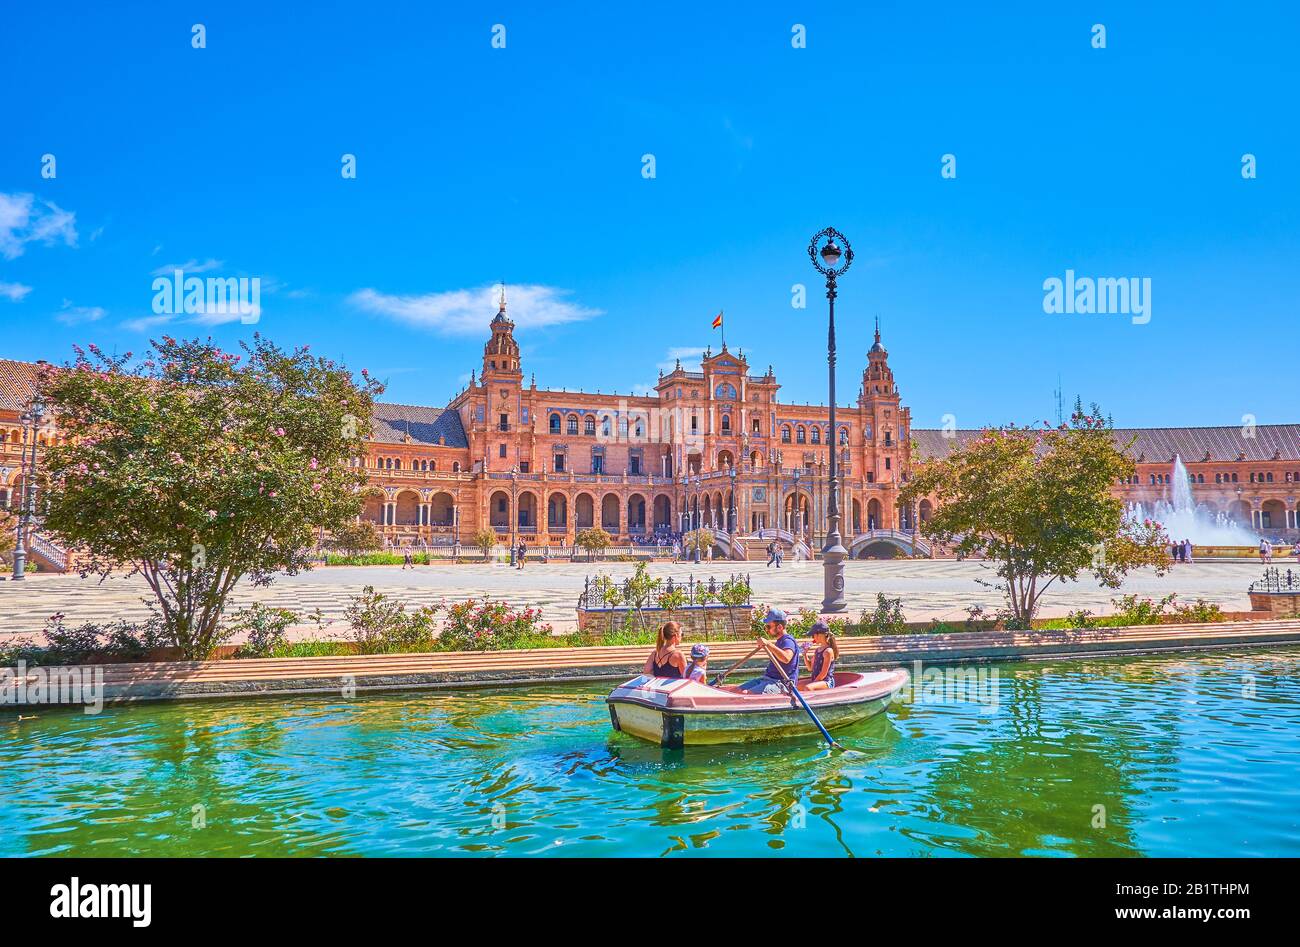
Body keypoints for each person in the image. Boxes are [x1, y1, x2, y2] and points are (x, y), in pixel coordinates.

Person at [736, 608, 799, 695]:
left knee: (746, 694)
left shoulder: (788, 641)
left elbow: (786, 658)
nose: (766, 630)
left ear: (780, 627)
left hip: (781, 683)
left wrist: (768, 644)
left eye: (769, 626)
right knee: (736, 691)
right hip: (767, 679)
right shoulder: (780, 641)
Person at [802, 621, 838, 690]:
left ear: (820, 635)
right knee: (795, 686)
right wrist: (804, 655)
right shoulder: (817, 650)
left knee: (807, 688)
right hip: (816, 681)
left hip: (826, 682)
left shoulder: (828, 651)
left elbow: (823, 674)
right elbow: (810, 668)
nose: (813, 638)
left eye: (813, 635)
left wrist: (812, 684)